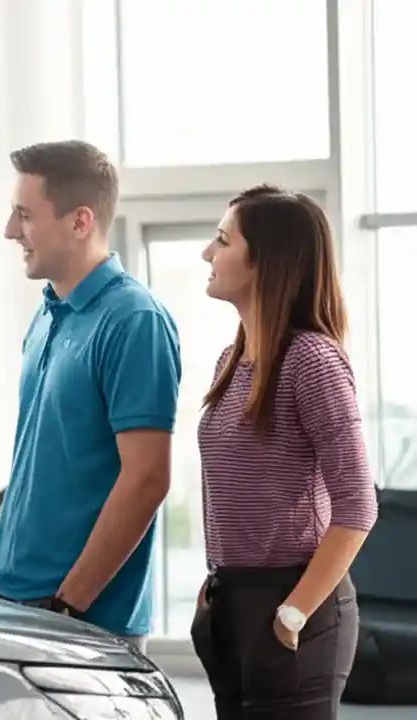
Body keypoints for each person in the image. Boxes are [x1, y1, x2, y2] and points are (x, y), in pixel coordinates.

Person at [0, 140, 181, 651]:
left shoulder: (135, 320)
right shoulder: (47, 313)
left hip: (81, 620)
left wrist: (70, 603)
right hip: (13, 600)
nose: (9, 231)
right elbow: (46, 455)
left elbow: (148, 479)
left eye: (24, 215)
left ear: (80, 221)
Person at [191, 184, 377, 717]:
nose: (208, 253)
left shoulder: (312, 361)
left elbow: (357, 508)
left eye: (222, 241)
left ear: (264, 262)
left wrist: (292, 614)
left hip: (292, 606)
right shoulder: (233, 357)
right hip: (234, 603)